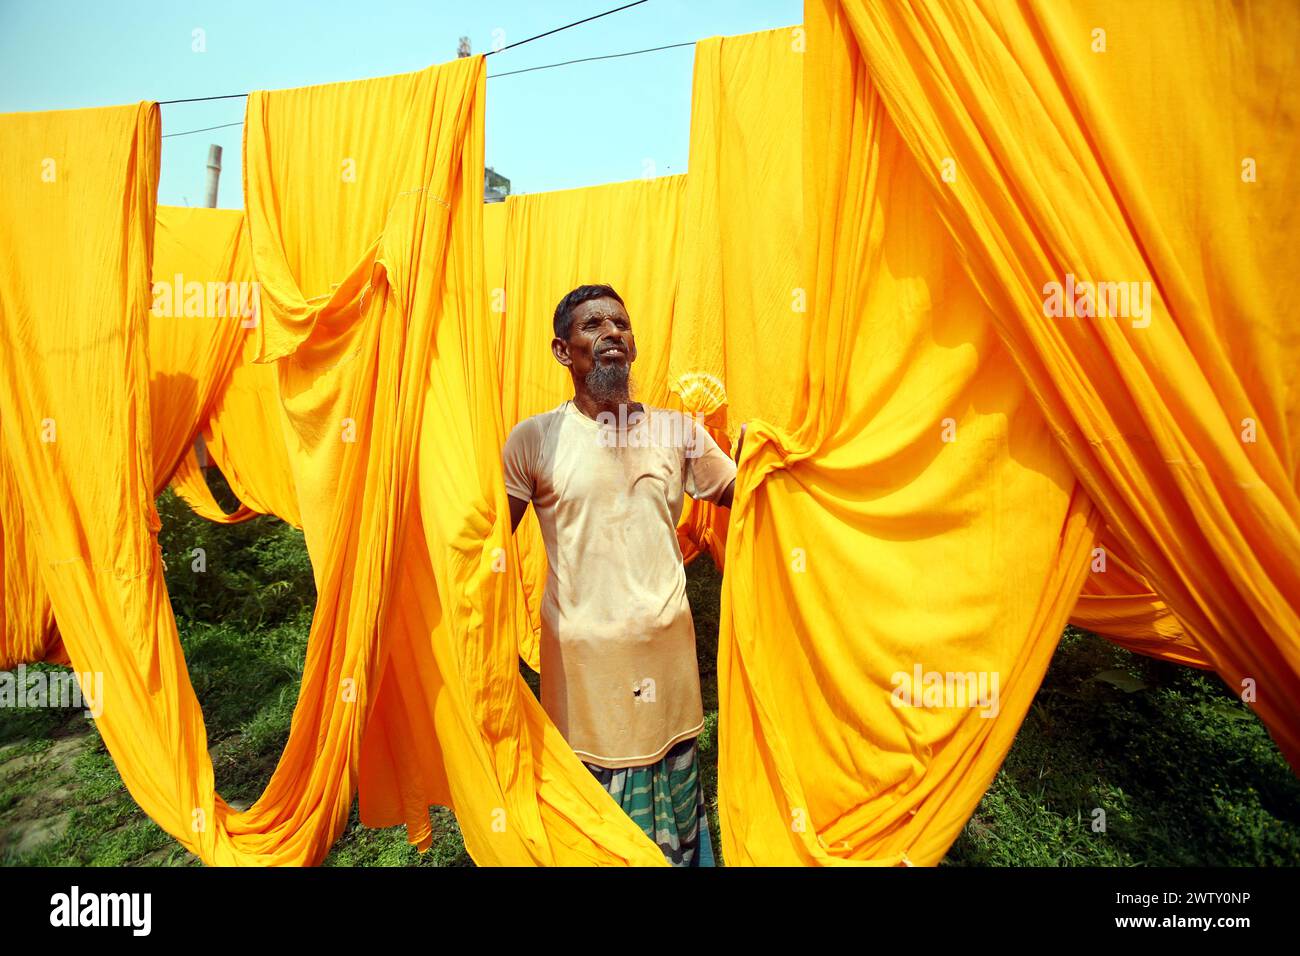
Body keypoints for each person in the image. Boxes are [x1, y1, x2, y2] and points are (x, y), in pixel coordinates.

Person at [502, 283, 743, 866]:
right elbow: (483, 539)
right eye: (594, 326)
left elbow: (749, 492)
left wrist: (777, 452)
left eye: (621, 324)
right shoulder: (534, 440)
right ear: (563, 351)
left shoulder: (676, 432)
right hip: (584, 670)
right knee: (595, 818)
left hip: (668, 658)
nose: (612, 333)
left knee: (677, 800)